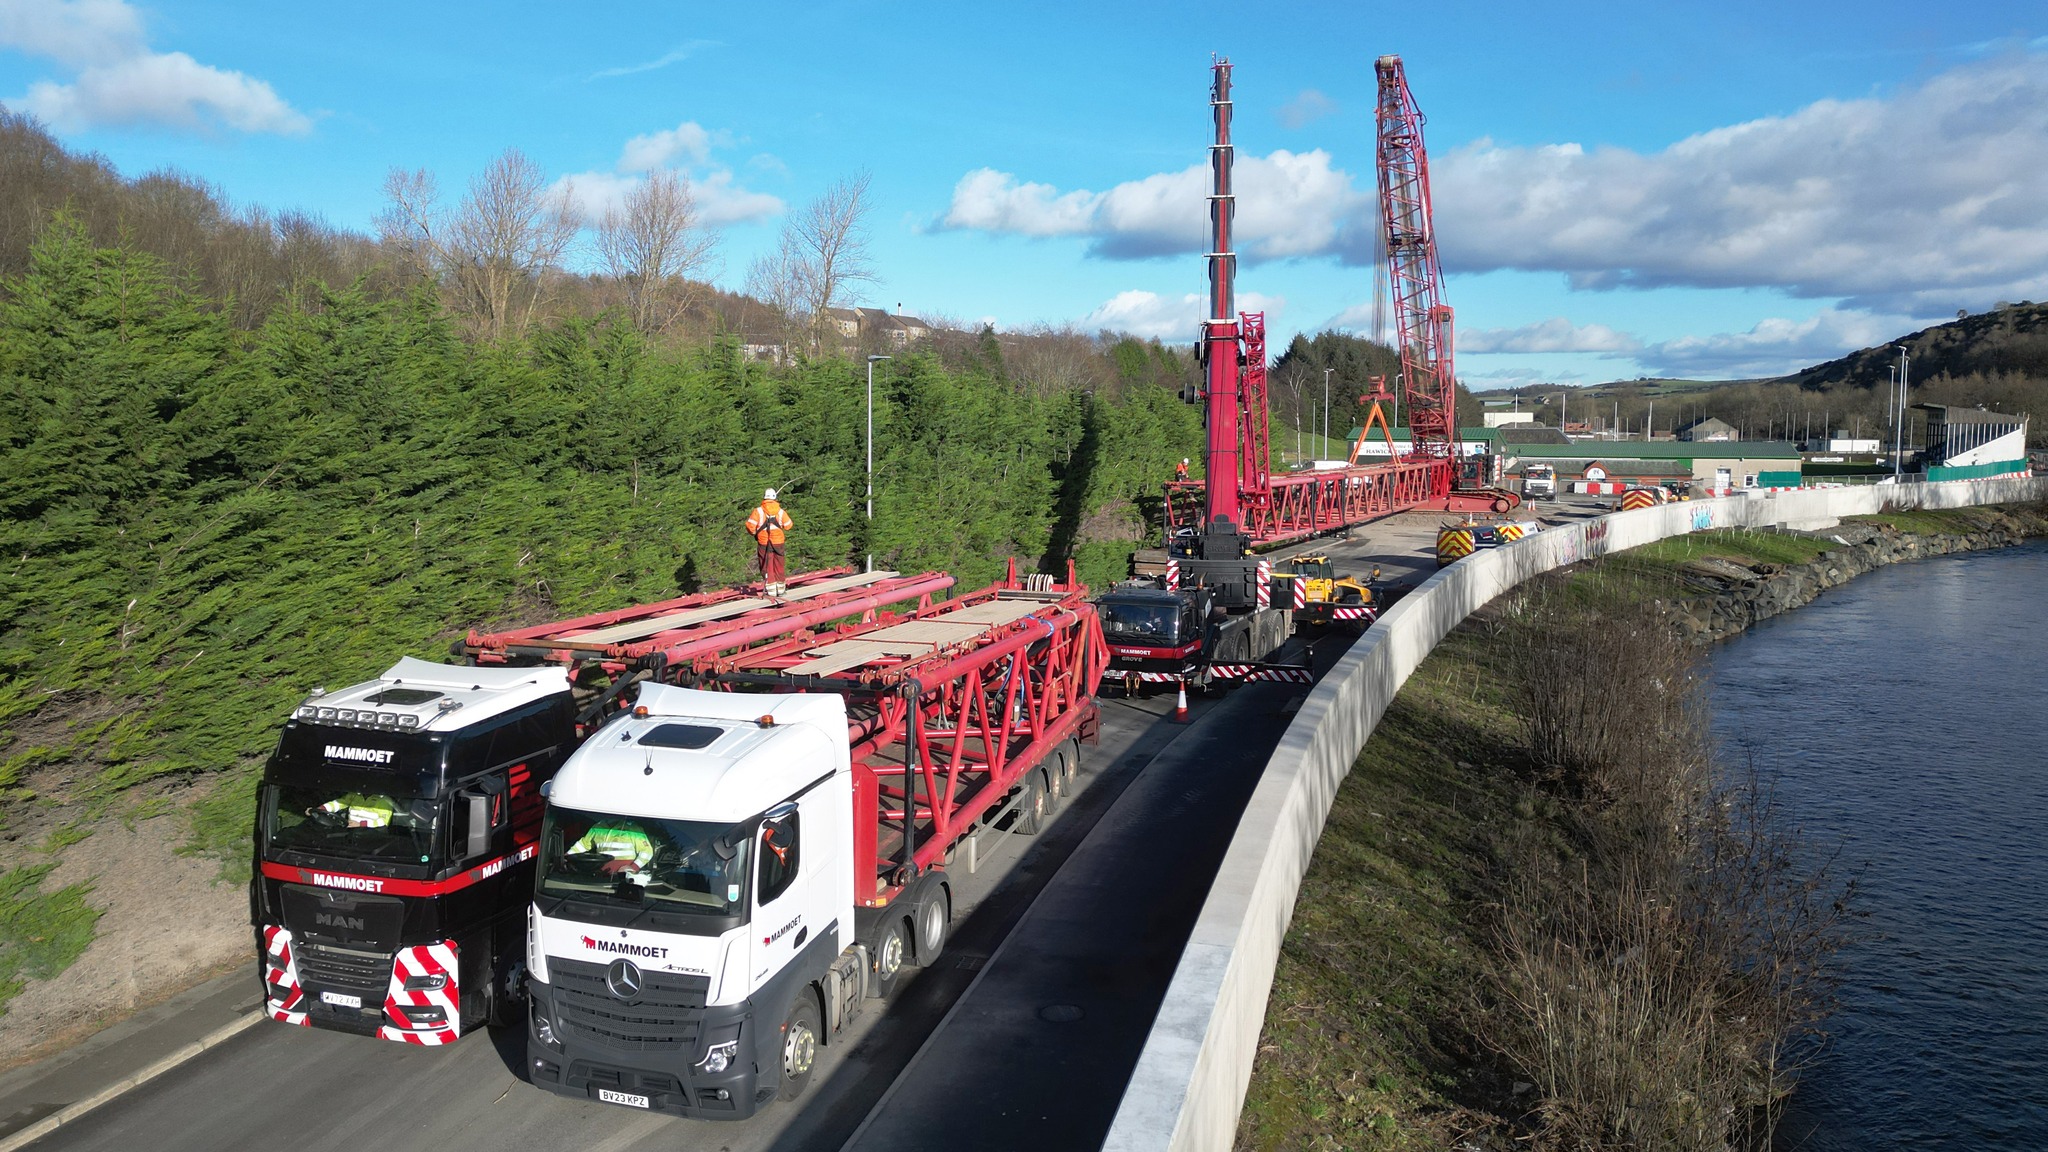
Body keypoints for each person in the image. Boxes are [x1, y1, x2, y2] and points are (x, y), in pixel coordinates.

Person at [745, 488, 794, 597]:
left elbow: (750, 526)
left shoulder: (758, 511)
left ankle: (771, 591)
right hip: (778, 542)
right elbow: (788, 525)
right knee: (779, 564)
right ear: (775, 498)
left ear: (764, 497)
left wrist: (755, 533)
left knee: (766, 565)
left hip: (764, 542)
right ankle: (781, 590)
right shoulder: (780, 511)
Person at [569, 821, 656, 874]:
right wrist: (567, 857)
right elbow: (583, 845)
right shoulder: (598, 826)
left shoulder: (632, 828)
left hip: (624, 878)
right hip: (600, 876)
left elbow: (647, 851)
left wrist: (633, 867)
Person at [316, 792, 397, 829]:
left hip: (373, 834)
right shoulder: (354, 795)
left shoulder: (384, 800)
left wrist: (360, 824)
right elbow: (339, 803)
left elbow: (383, 821)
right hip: (350, 830)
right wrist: (321, 808)